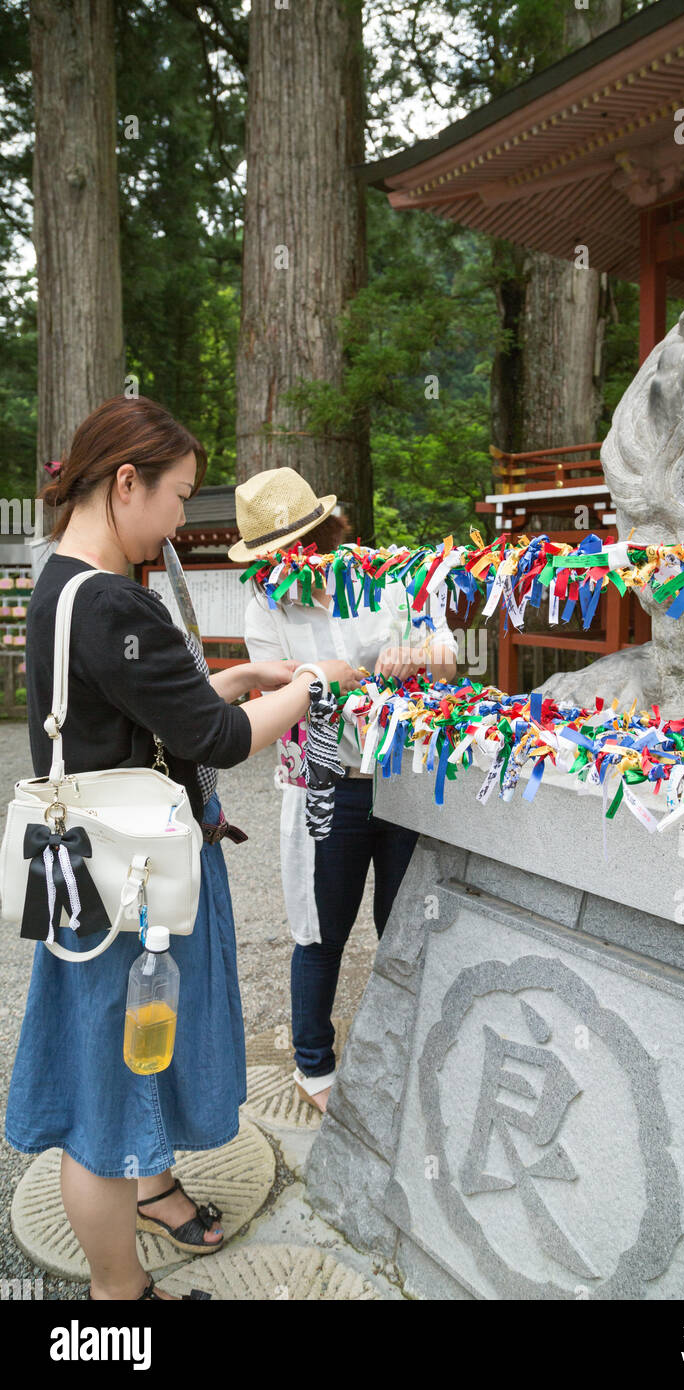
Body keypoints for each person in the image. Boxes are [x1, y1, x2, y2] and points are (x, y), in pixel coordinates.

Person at [3, 397, 360, 1301]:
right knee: (104, 1107)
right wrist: (315, 682)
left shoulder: (61, 584)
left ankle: (151, 1192)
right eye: (177, 498)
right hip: (135, 885)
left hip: (87, 870)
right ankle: (119, 1298)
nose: (179, 523)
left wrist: (237, 677)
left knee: (119, 1067)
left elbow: (142, 709)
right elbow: (221, 741)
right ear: (126, 484)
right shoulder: (117, 601)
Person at [230, 469, 457, 1114]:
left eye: (307, 545)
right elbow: (278, 702)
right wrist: (353, 673)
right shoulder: (265, 604)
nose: (296, 563)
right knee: (321, 928)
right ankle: (313, 1062)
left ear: (328, 533)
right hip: (327, 783)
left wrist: (419, 655)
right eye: (280, 555)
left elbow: (448, 654)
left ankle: (408, 1038)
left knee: (403, 918)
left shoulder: (385, 575)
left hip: (403, 777)